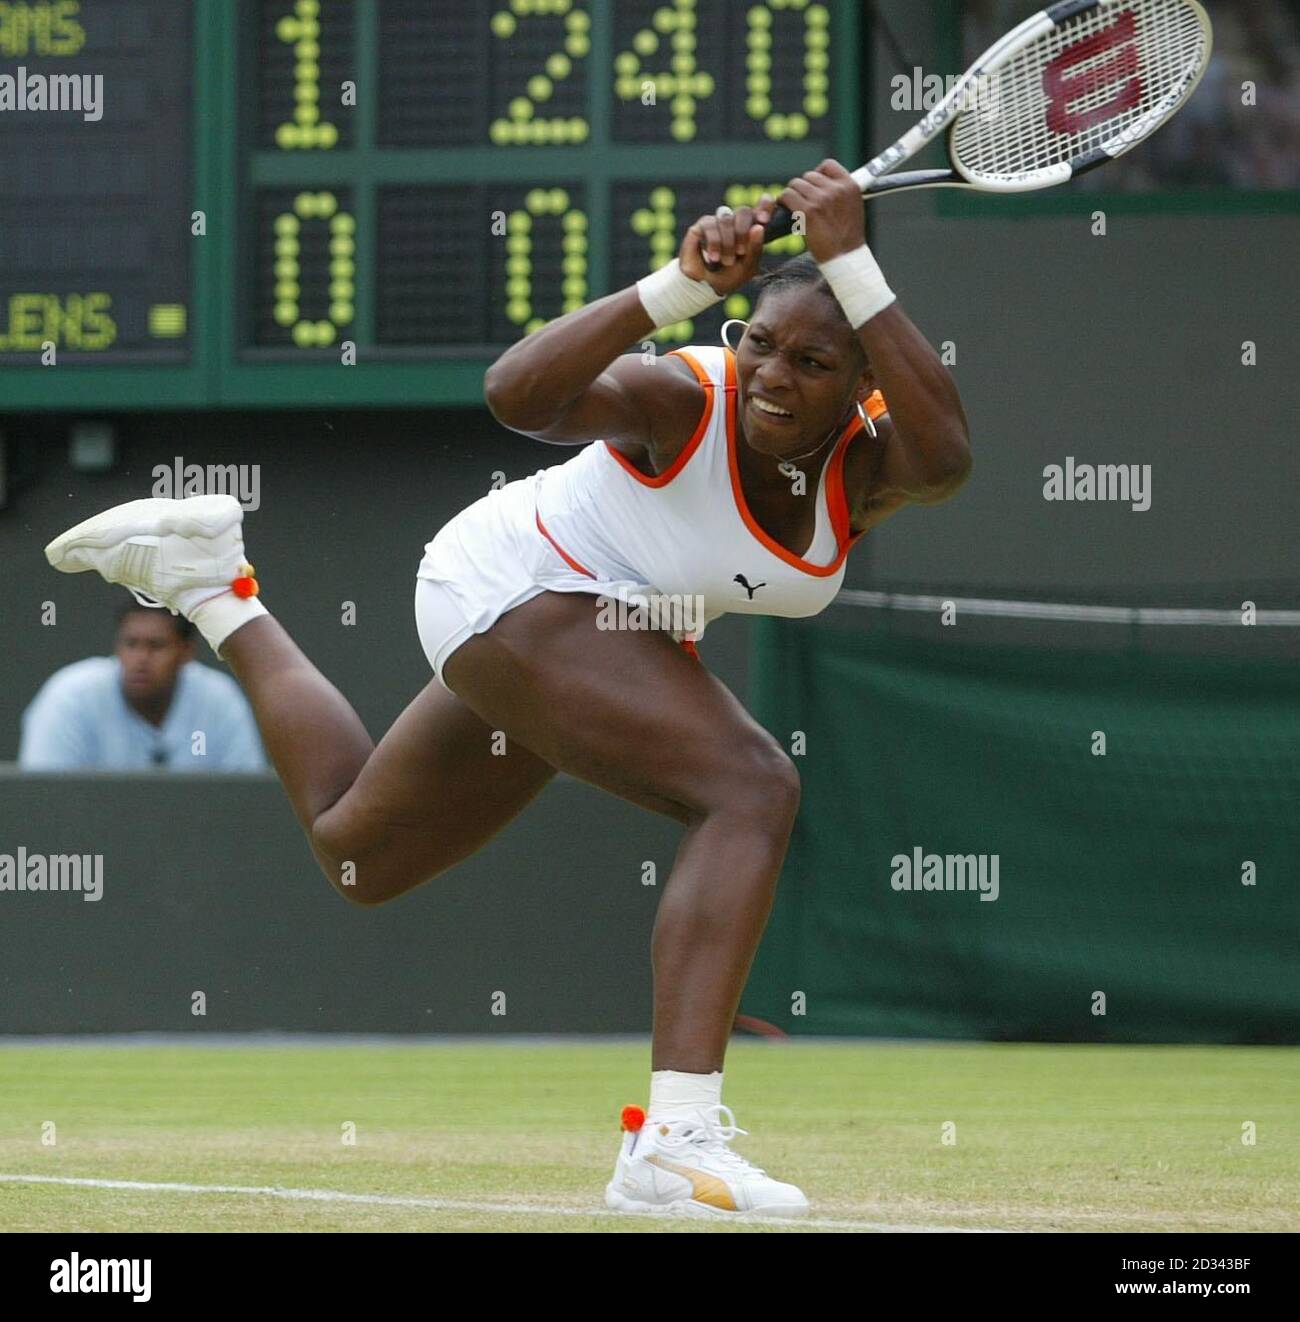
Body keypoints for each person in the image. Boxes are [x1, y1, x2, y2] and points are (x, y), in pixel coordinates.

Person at [44, 161, 970, 1218]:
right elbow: (514, 394)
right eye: (758, 343)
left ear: (863, 386)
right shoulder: (682, 394)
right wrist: (671, 291)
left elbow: (945, 457)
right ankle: (671, 1139)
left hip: (603, 637)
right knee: (751, 787)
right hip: (516, 585)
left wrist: (848, 256)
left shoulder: (867, 468)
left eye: (812, 361)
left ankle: (209, 582)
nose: (772, 374)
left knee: (362, 851)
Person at [19, 598, 266, 772]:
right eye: (131, 644)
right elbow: (44, 800)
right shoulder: (69, 696)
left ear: (186, 652)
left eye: (156, 646)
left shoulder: (219, 699)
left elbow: (244, 800)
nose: (140, 659)